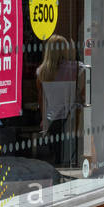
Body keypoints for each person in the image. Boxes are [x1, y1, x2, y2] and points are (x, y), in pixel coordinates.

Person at [37, 35, 84, 165]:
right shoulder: (77, 68)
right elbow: (82, 94)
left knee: (56, 157)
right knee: (70, 156)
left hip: (51, 119)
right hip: (71, 119)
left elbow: (42, 101)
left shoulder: (41, 72)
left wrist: (44, 122)